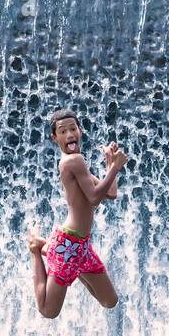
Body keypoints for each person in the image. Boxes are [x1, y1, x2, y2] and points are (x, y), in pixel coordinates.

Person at [26, 109, 126, 319]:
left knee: (110, 301)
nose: (69, 134)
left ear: (80, 132)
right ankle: (37, 248)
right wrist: (115, 169)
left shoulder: (78, 164)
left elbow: (111, 193)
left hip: (81, 247)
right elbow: (93, 198)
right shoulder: (73, 161)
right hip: (68, 245)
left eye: (73, 129)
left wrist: (110, 164)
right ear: (55, 138)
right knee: (48, 311)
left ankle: (49, 248)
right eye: (63, 131)